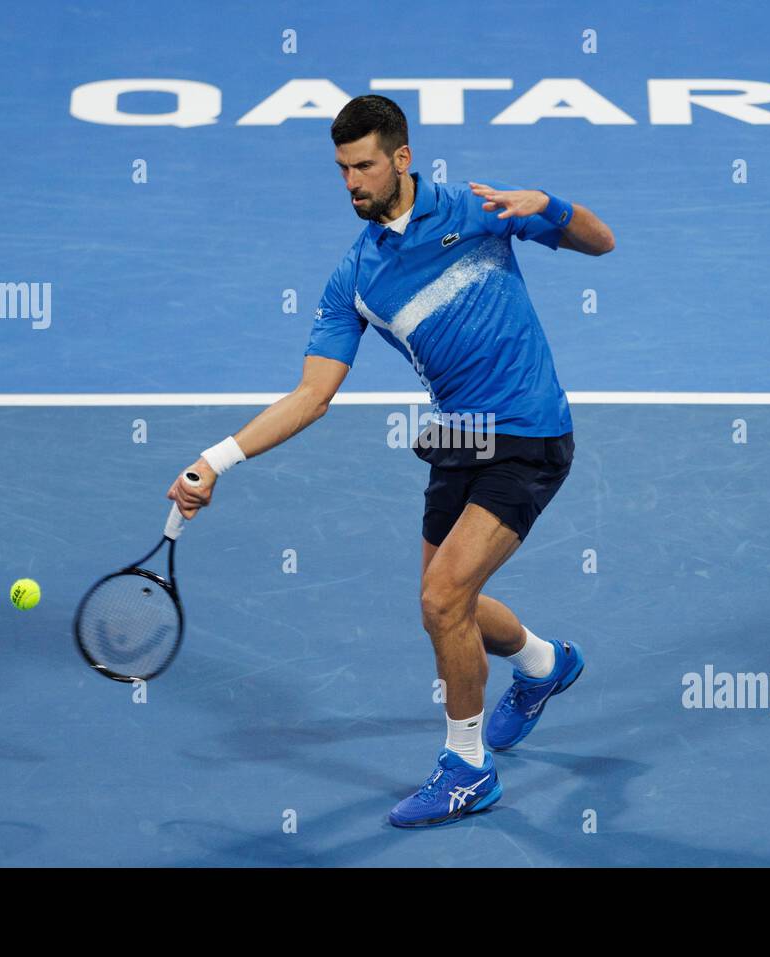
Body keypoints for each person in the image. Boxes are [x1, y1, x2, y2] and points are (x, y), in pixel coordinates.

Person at [167, 94, 615, 828]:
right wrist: (215, 460)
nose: (352, 182)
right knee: (444, 605)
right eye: (342, 169)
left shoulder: (481, 210)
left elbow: (602, 243)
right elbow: (312, 394)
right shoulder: (354, 279)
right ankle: (543, 663)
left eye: (364, 166)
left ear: (402, 158)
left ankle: (468, 769)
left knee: (443, 599)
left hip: (531, 430)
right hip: (459, 436)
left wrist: (550, 204)